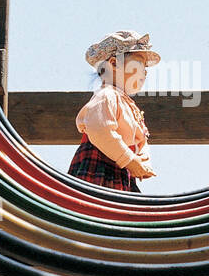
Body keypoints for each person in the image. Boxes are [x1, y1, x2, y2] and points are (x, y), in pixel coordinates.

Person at [68, 30, 159, 191]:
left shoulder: (127, 104)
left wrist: (142, 161)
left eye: (146, 69)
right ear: (114, 63)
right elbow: (99, 130)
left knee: (125, 211)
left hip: (121, 168)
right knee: (98, 207)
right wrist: (130, 160)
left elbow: (139, 138)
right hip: (100, 167)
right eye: (138, 64)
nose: (144, 74)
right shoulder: (107, 95)